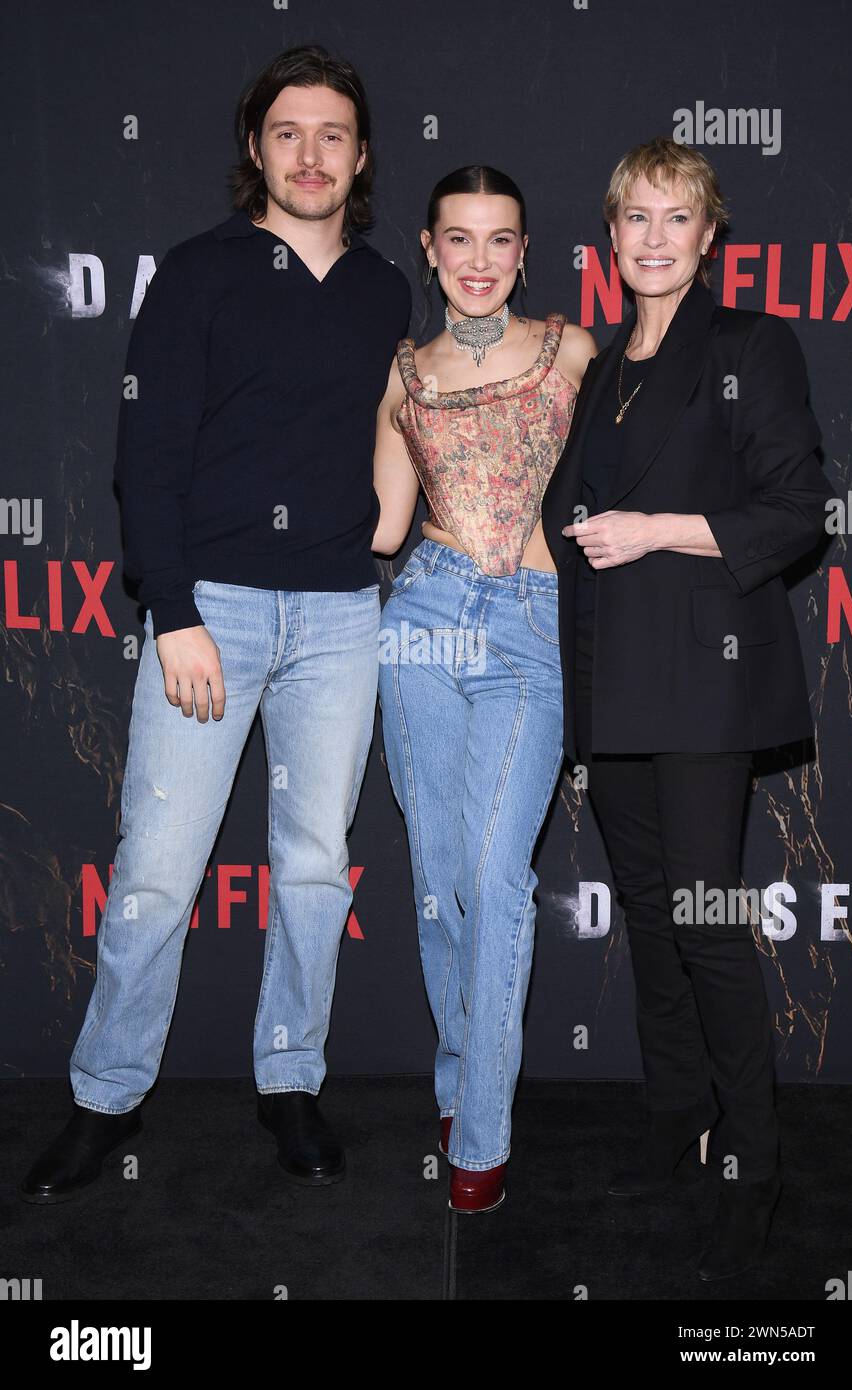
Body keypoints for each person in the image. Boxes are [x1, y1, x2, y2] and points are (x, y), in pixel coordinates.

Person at [20, 45, 412, 1203]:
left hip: (342, 617)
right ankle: (107, 1096)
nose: (310, 153)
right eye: (288, 132)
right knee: (153, 870)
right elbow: (147, 453)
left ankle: (290, 1080)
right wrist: (175, 608)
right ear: (256, 148)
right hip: (214, 615)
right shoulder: (197, 273)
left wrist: (386, 530)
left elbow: (394, 424)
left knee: (307, 869)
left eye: (332, 134)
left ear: (361, 155)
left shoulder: (387, 287)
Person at [540, 136, 832, 1277]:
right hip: (613, 691)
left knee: (707, 922)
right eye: (635, 220)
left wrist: (655, 531)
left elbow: (795, 508)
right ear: (609, 239)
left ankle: (752, 1163)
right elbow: (567, 531)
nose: (654, 239)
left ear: (708, 238)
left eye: (677, 220)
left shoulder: (750, 345)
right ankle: (680, 1118)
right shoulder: (605, 371)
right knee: (655, 925)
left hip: (703, 690)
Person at [372, 166, 596, 1213]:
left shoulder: (571, 351)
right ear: (428, 247)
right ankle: (462, 1079)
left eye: (497, 239)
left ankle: (481, 1131)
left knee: (500, 875)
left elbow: (631, 472)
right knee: (440, 874)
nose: (475, 259)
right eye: (456, 239)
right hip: (418, 618)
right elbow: (379, 526)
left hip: (528, 627)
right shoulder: (401, 374)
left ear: (522, 252)